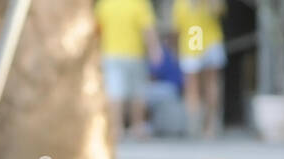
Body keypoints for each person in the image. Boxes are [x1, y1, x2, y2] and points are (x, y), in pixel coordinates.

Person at [94, 0, 162, 141]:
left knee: (115, 93)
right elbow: (148, 29)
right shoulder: (139, 4)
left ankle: (116, 129)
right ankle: (138, 128)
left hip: (110, 54)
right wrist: (155, 50)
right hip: (134, 54)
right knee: (138, 94)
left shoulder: (105, 4)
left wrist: (96, 53)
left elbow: (97, 31)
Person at [171, 0, 225, 138]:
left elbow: (176, 28)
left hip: (192, 41)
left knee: (192, 87)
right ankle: (210, 125)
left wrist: (175, 49)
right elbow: (220, 11)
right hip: (211, 41)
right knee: (211, 84)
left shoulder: (181, 3)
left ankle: (194, 125)